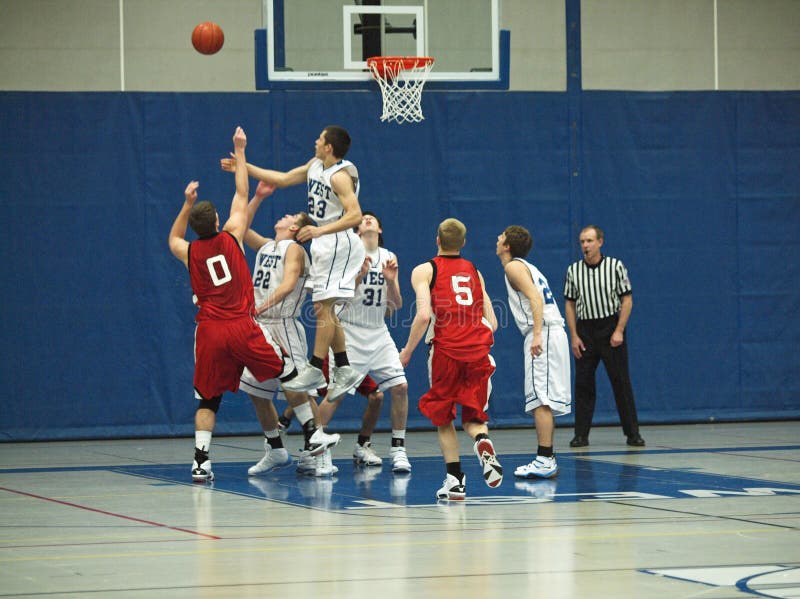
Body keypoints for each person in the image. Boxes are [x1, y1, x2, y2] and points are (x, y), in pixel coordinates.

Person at [168, 126, 338, 483]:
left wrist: (185, 205)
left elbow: (173, 238)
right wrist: (241, 153)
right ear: (217, 222)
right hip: (247, 324)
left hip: (219, 328)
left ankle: (201, 461)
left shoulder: (190, 251)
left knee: (210, 400)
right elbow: (241, 198)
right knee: (283, 375)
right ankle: (296, 439)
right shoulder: (237, 237)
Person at [220, 125, 365, 402]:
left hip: (338, 241)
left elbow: (356, 215)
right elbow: (284, 178)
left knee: (322, 306)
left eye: (319, 138)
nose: (315, 140)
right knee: (326, 307)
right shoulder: (315, 165)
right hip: (325, 242)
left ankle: (313, 367)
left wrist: (320, 230)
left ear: (329, 147)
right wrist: (243, 166)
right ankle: (343, 367)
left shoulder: (341, 177)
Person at [399, 218, 502, 500]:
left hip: (445, 350)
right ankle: (482, 441)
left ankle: (455, 480)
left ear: (437, 240)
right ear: (464, 243)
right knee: (474, 416)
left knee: (443, 416)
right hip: (478, 352)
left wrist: (407, 351)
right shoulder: (474, 271)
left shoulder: (425, 270)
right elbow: (491, 322)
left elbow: (422, 316)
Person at [238, 181, 334, 477]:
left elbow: (289, 284)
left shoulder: (295, 249)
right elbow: (240, 227)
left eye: (291, 215)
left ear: (295, 228)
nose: (285, 215)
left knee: (300, 390)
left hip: (283, 325)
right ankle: (275, 449)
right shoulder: (269, 245)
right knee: (257, 391)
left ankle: (320, 455)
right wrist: (256, 197)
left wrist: (261, 307)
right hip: (261, 326)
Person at [317, 212, 412, 474]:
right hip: (349, 332)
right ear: (357, 230)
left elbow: (395, 306)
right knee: (336, 394)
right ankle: (314, 450)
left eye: (372, 218)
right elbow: (335, 299)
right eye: (364, 218)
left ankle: (398, 449)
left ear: (379, 229)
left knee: (401, 386)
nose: (368, 220)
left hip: (378, 331)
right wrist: (358, 277)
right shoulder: (348, 255)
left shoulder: (389, 256)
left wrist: (391, 282)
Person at [496, 225, 571, 479]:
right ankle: (546, 457)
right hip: (549, 331)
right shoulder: (526, 267)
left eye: (501, 236)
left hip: (544, 332)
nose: (497, 239)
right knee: (542, 398)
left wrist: (537, 334)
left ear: (507, 246)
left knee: (541, 398)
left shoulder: (513, 266)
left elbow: (536, 300)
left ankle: (545, 459)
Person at [563, 225, 645, 448]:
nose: (585, 246)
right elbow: (569, 304)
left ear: (600, 242)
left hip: (609, 327)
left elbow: (627, 300)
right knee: (583, 384)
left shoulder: (615, 266)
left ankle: (633, 433)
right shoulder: (573, 271)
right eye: (582, 242)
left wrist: (618, 330)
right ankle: (581, 434)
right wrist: (573, 335)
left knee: (621, 382)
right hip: (585, 331)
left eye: (589, 241)